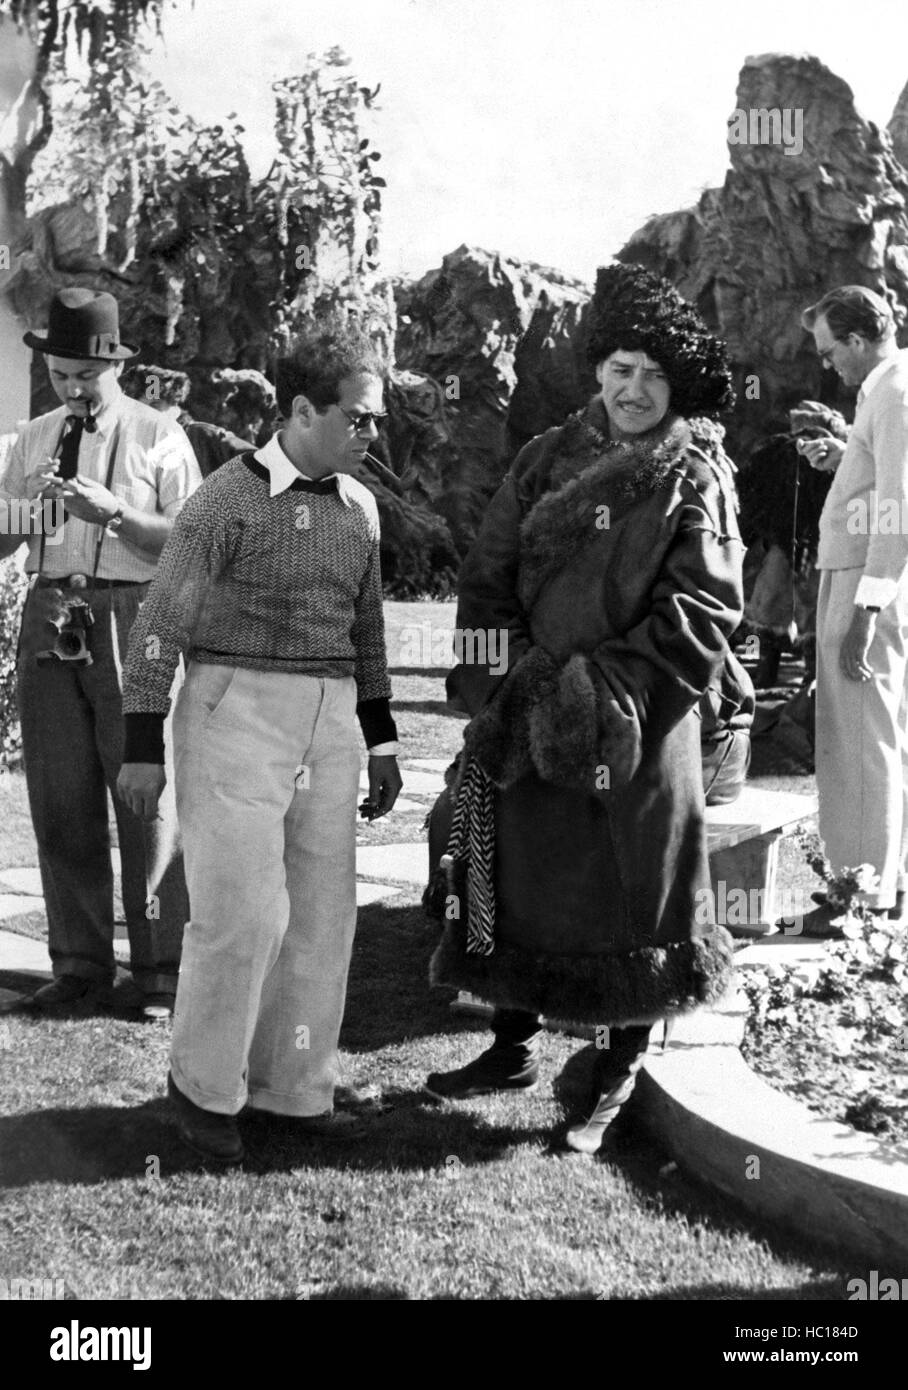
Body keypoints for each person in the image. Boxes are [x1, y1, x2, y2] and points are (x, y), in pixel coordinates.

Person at [425, 263, 744, 1154]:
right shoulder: (543, 459)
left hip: (639, 722)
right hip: (529, 711)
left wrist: (601, 696)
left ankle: (616, 1070)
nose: (634, 389)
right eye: (620, 369)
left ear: (675, 386)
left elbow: (705, 609)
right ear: (597, 370)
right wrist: (507, 686)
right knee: (519, 882)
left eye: (653, 375)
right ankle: (511, 1045)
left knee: (631, 900)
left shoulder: (696, 475)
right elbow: (486, 582)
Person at [116, 317, 402, 1164]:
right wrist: (141, 743)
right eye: (360, 417)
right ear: (304, 412)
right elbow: (161, 627)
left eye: (376, 418)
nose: (372, 433)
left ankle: (293, 1092)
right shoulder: (225, 502)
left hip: (330, 718)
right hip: (231, 710)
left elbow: (370, 633)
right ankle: (202, 1093)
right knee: (242, 916)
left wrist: (381, 742)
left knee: (320, 919)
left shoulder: (361, 510)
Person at [0, 287, 200, 1020]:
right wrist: (34, 512)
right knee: (60, 794)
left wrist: (114, 513)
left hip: (133, 615)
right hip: (53, 609)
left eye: (86, 375)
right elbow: (1, 535)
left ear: (115, 364)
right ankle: (80, 965)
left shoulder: (159, 435)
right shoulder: (35, 435)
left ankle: (161, 972)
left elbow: (191, 541)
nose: (74, 389)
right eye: (61, 375)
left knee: (146, 793)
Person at [795, 285, 908, 936]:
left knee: (859, 740)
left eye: (830, 348)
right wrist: (847, 461)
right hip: (869, 577)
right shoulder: (887, 390)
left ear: (859, 340)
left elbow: (897, 509)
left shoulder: (893, 392)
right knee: (878, 736)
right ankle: (880, 884)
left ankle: (861, 898)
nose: (827, 362)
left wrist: (867, 610)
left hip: (867, 583)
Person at [120, 364, 256, 478]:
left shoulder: (201, 436)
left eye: (155, 405)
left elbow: (263, 463)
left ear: (173, 403)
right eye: (140, 411)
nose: (149, 416)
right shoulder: (135, 445)